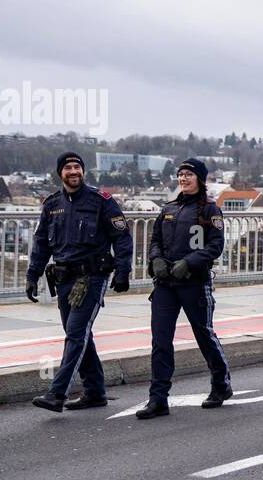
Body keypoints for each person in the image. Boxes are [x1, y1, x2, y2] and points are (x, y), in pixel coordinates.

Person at [26, 152, 133, 412]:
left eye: (77, 167)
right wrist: (32, 275)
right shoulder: (52, 204)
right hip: (63, 279)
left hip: (92, 278)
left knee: (75, 333)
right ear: (60, 173)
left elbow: (121, 237)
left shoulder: (101, 201)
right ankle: (95, 392)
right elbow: (41, 244)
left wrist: (122, 271)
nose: (73, 172)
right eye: (68, 168)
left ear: (83, 171)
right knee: (79, 334)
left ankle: (57, 393)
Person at [135, 158, 233, 419]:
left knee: (204, 335)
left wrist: (189, 262)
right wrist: (155, 259)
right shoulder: (169, 208)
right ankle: (158, 398)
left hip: (194, 282)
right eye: (180, 175)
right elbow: (155, 239)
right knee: (161, 340)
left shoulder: (210, 210)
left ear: (200, 179)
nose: (183, 179)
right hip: (166, 283)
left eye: (189, 175)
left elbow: (215, 246)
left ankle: (221, 384)